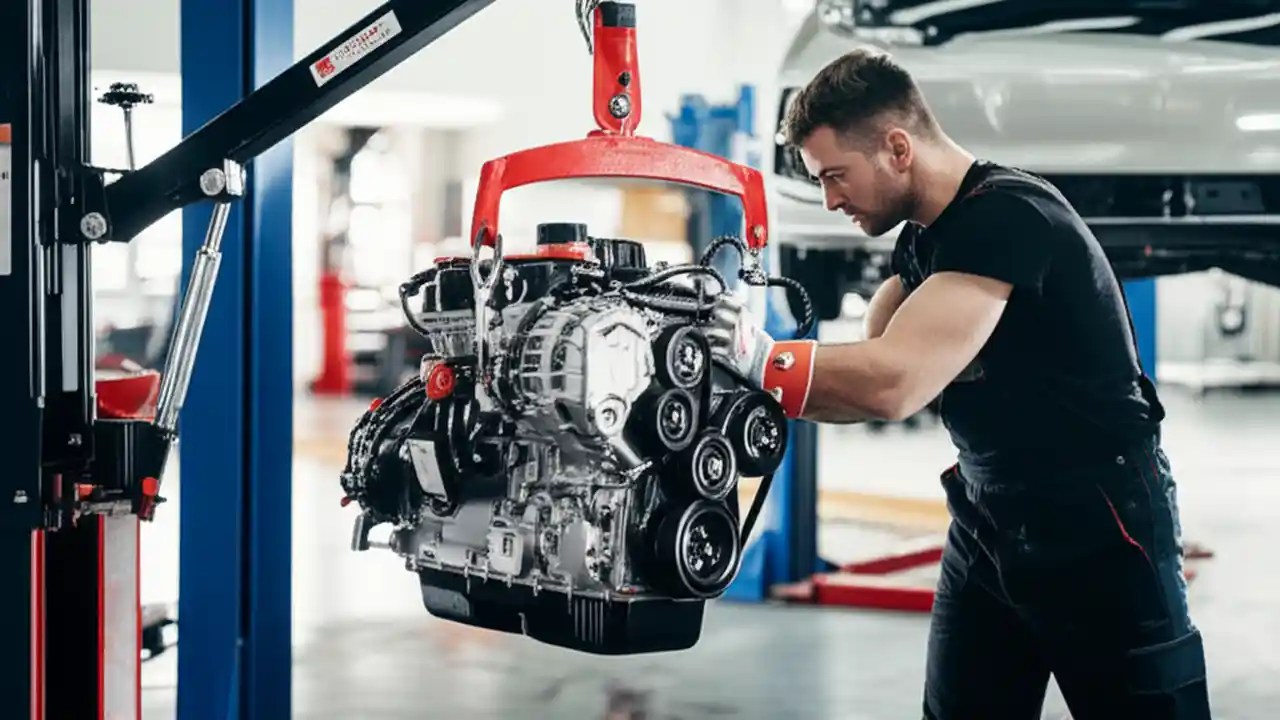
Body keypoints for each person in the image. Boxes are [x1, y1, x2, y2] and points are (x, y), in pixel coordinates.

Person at [708, 49, 1211, 719]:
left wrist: (757, 356)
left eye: (835, 175)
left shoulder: (1008, 217)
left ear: (896, 147)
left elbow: (893, 385)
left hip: (1100, 525)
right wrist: (736, 381)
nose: (829, 200)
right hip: (989, 518)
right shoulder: (922, 240)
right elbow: (867, 369)